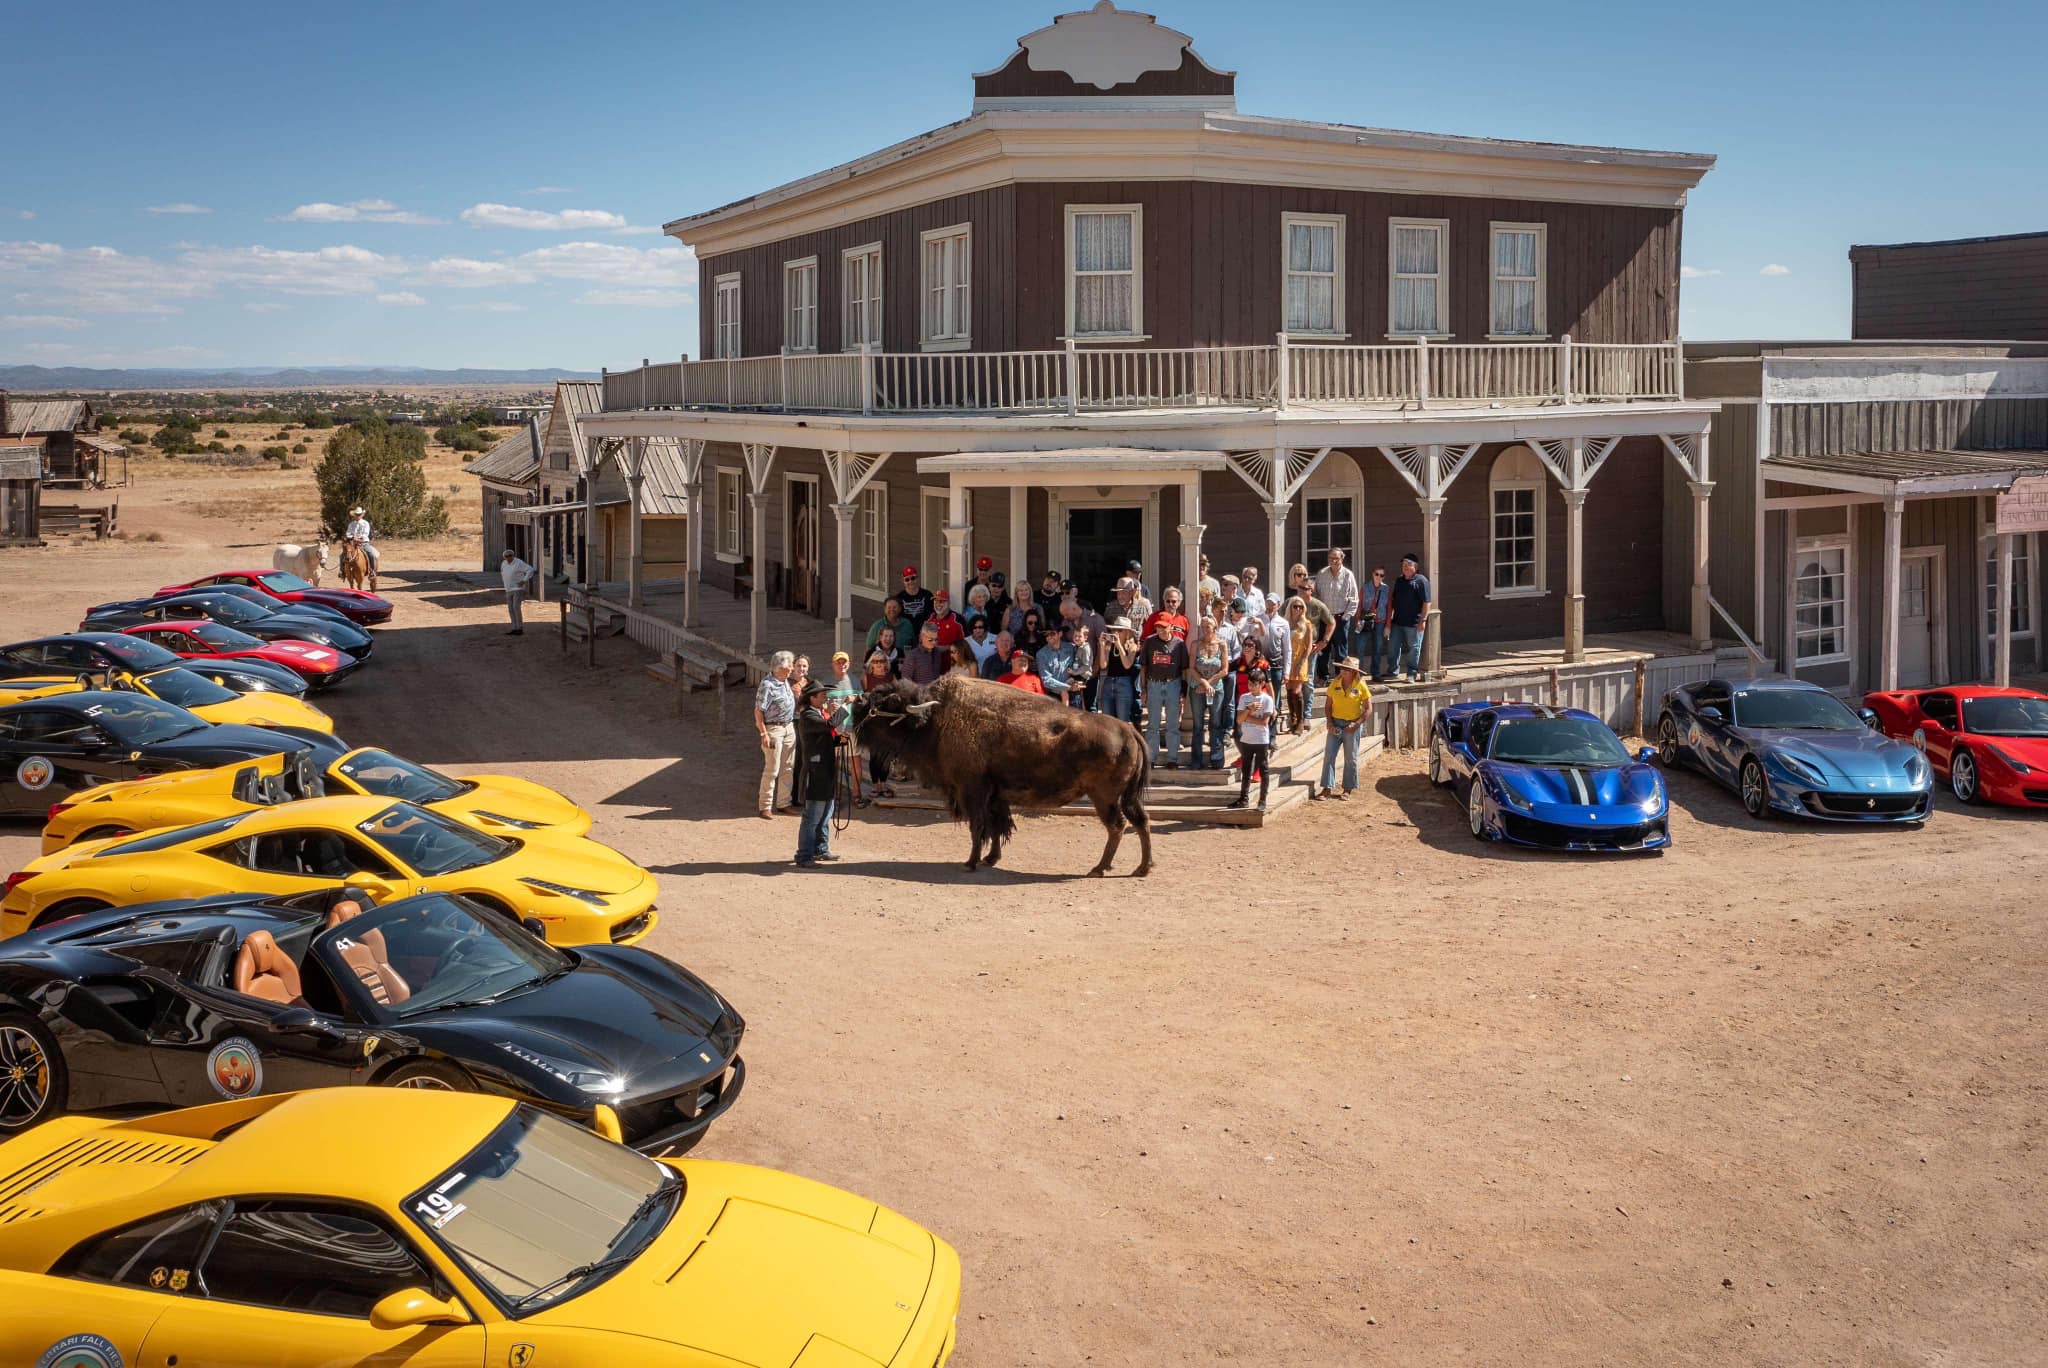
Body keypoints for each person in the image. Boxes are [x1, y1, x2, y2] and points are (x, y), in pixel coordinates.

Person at [793, 680, 840, 866]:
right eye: (822, 696)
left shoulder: (816, 715)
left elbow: (825, 736)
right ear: (812, 698)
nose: (825, 698)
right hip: (816, 770)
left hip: (824, 768)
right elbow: (828, 726)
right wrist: (843, 708)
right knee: (813, 816)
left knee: (825, 813)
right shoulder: (808, 716)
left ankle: (820, 849)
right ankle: (805, 855)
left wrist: (838, 741)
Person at [1313, 657, 1374, 801]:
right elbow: (1327, 706)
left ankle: (1347, 789)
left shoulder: (1361, 685)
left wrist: (1357, 724)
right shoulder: (1334, 683)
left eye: (1346, 669)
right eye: (1342, 668)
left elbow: (1369, 708)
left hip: (1352, 724)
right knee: (1329, 755)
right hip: (1336, 722)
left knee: (1350, 758)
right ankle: (1327, 788)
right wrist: (1329, 723)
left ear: (1353, 672)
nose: (1343, 671)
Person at [754, 650, 798, 819]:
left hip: (788, 727)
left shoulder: (784, 681)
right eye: (789, 665)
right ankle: (765, 806)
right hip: (773, 729)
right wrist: (763, 733)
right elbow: (758, 711)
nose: (791, 668)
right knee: (772, 769)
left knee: (788, 767)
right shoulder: (767, 684)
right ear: (779, 667)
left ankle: (784, 803)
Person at [1141, 613, 1189, 768]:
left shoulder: (1179, 644)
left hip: (1173, 684)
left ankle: (1172, 759)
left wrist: (1183, 690)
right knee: (1153, 724)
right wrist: (1143, 689)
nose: (1160, 629)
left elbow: (1184, 669)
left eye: (1163, 626)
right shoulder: (1149, 642)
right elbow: (1144, 666)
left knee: (1172, 724)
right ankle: (1151, 759)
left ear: (1171, 627)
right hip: (1153, 683)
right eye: (1157, 626)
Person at [1227, 667, 1277, 812]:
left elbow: (1264, 722)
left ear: (1262, 684)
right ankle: (1243, 798)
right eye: (1250, 684)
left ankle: (1262, 800)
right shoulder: (1244, 698)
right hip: (1246, 739)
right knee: (1246, 769)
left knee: (1263, 770)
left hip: (1261, 740)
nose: (1252, 687)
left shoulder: (1267, 699)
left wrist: (1246, 716)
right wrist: (1249, 710)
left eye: (1255, 684)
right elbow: (1239, 720)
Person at [1189, 618, 1232, 769]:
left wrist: (1210, 683)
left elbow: (1225, 670)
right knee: (1198, 724)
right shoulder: (1195, 645)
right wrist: (1204, 684)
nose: (1206, 629)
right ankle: (1196, 759)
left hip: (1216, 688)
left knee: (1216, 723)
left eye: (1209, 626)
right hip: (1197, 687)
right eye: (1203, 627)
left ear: (1215, 627)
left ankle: (1217, 758)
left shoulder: (1221, 645)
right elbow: (1192, 668)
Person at [1313, 549, 1360, 676]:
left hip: (1341, 617)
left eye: (1336, 558)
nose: (1333, 561)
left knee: (1341, 651)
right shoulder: (1322, 573)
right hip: (1325, 619)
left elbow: (1354, 598)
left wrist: (1346, 617)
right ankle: (1323, 676)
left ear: (1342, 559)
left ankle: (1340, 677)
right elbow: (1316, 595)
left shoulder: (1348, 575)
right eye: (1331, 558)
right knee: (1323, 648)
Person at [1388, 554, 1433, 683]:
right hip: (1397, 621)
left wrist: (1423, 620)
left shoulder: (1421, 581)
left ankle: (1411, 674)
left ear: (1416, 567)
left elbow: (1427, 602)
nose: (1406, 567)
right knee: (1393, 647)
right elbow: (1394, 599)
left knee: (1414, 648)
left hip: (1414, 623)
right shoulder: (1399, 580)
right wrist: (1390, 619)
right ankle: (1392, 671)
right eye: (1404, 565)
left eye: (1409, 565)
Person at [1097, 617, 1140, 722]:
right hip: (1108, 682)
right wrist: (1102, 647)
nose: (1115, 633)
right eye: (1113, 630)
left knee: (1122, 721)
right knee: (1108, 721)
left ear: (1127, 633)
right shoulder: (1109, 645)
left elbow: (1127, 665)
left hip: (1124, 684)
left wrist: (1119, 646)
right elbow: (1103, 665)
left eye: (1119, 630)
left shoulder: (1132, 646)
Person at [1283, 596, 1314, 736]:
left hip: (1300, 658)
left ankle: (1301, 720)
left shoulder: (1306, 624)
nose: (1298, 609)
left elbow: (1308, 646)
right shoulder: (1286, 623)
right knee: (1289, 690)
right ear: (1290, 607)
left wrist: (1302, 661)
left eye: (1300, 607)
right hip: (1288, 659)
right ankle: (1293, 718)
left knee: (1297, 690)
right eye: (1295, 606)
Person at [1360, 564, 1393, 681]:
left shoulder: (1386, 589)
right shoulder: (1365, 587)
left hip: (1380, 620)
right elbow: (1360, 605)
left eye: (1381, 575)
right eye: (1377, 574)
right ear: (1372, 574)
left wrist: (1388, 625)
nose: (1379, 577)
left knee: (1378, 647)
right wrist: (1358, 620)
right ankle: (1358, 673)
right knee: (1361, 646)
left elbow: (1389, 608)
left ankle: (1375, 673)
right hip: (1367, 619)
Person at [1035, 621, 1080, 707]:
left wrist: (1074, 680)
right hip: (1053, 696)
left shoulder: (1072, 648)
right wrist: (1067, 688)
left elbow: (1079, 664)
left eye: (1052, 634)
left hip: (1074, 692)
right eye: (1046, 635)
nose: (1049, 637)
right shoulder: (1041, 654)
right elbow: (1046, 680)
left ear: (1060, 634)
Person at [345, 505, 380, 591]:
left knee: (371, 554)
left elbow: (366, 534)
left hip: (363, 543)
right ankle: (342, 572)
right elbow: (348, 533)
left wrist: (359, 538)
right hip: (352, 543)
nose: (358, 515)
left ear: (362, 515)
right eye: (356, 514)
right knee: (343, 555)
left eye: (359, 514)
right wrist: (353, 537)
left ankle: (372, 571)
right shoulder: (351, 524)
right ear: (354, 515)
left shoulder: (365, 523)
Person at [891, 566, 934, 635]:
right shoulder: (899, 598)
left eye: (913, 578)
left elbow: (933, 614)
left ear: (917, 578)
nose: (910, 581)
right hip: (906, 632)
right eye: (907, 579)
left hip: (924, 633)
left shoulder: (927, 594)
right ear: (903, 581)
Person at [499, 549, 533, 635]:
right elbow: (503, 574)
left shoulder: (519, 563)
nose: (508, 557)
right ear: (504, 557)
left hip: (517, 588)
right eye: (506, 556)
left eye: (510, 555)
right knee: (510, 609)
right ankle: (514, 627)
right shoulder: (503, 564)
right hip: (508, 589)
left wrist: (524, 580)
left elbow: (530, 569)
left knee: (516, 607)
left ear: (513, 555)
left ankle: (520, 628)